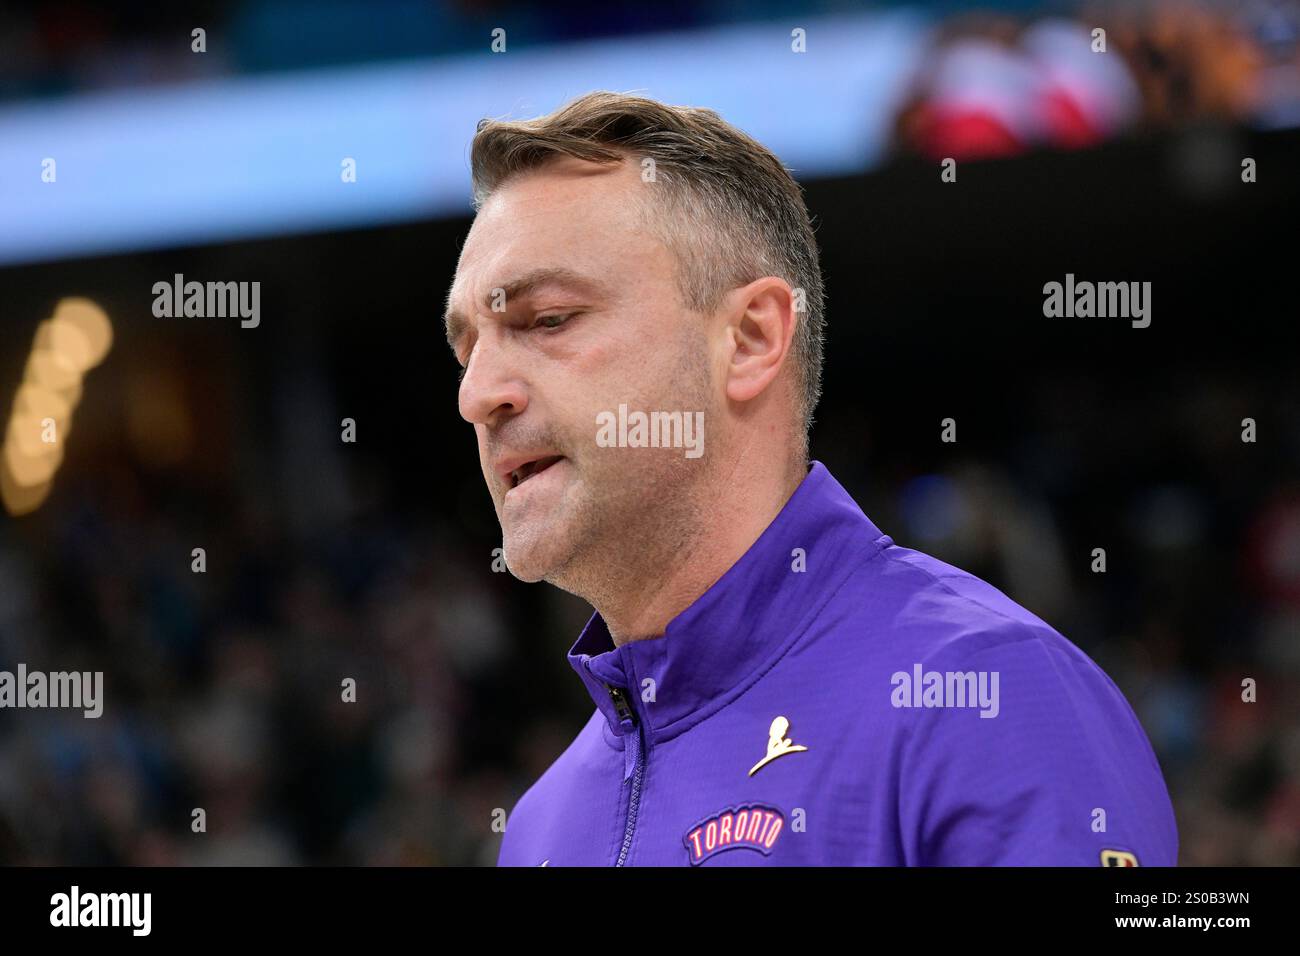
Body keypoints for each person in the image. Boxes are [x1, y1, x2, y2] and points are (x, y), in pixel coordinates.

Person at [443, 91, 1178, 866]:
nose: (477, 395)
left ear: (753, 337)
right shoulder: (537, 830)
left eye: (549, 319)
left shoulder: (984, 694)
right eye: (467, 351)